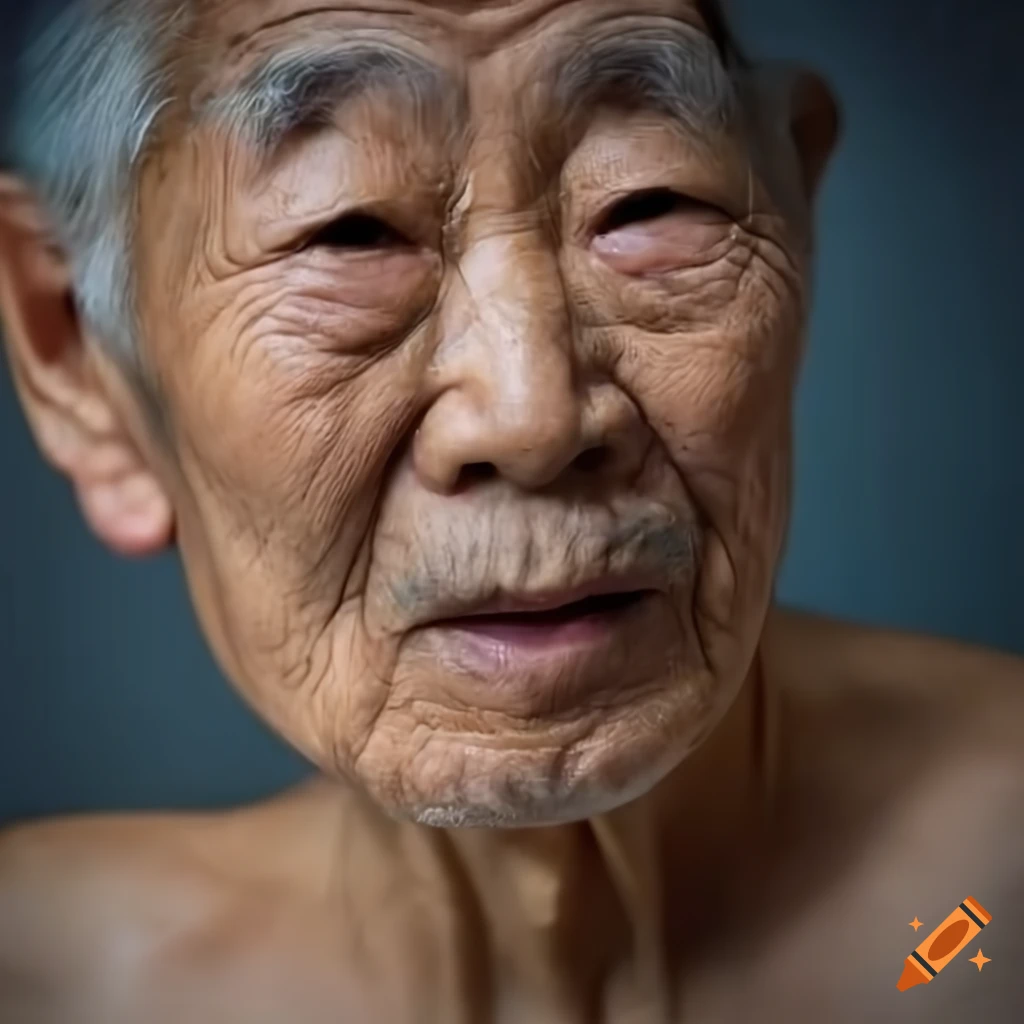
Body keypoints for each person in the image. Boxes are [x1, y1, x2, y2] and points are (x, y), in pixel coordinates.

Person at [0, 0, 1021, 1021]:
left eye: (644, 205)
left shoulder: (980, 916)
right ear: (77, 355)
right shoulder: (46, 979)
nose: (534, 418)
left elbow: (957, 954)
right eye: (349, 232)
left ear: (792, 204)